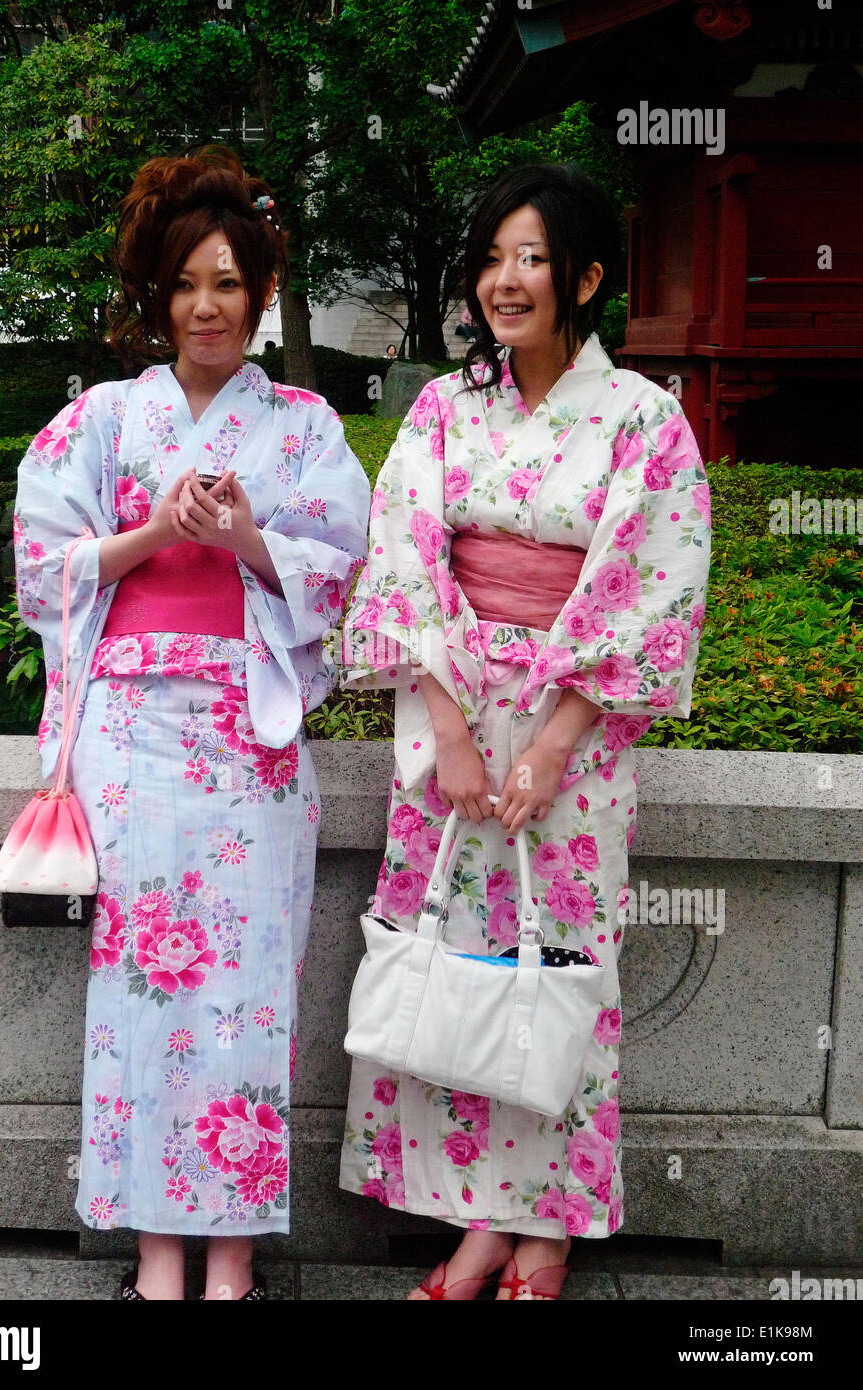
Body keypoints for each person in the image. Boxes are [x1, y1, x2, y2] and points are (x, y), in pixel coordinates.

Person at [337, 162, 711, 1300]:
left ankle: (537, 1230)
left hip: (574, 730)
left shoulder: (645, 420)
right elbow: (403, 556)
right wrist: (448, 727)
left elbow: (653, 587)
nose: (507, 280)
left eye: (533, 259)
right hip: (447, 712)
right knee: (454, 961)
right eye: (493, 258)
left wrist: (551, 743)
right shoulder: (446, 409)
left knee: (557, 968)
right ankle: (484, 1223)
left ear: (585, 278)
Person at [13, 145, 370, 1300]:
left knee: (246, 993)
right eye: (183, 284)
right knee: (140, 990)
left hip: (250, 740)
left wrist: (242, 541)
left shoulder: (307, 426)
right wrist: (154, 534)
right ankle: (156, 1257)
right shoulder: (104, 418)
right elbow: (46, 567)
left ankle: (232, 1262)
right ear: (153, 296)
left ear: (259, 293)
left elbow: (342, 572)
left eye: (226, 281)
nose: (205, 305)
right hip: (129, 742)